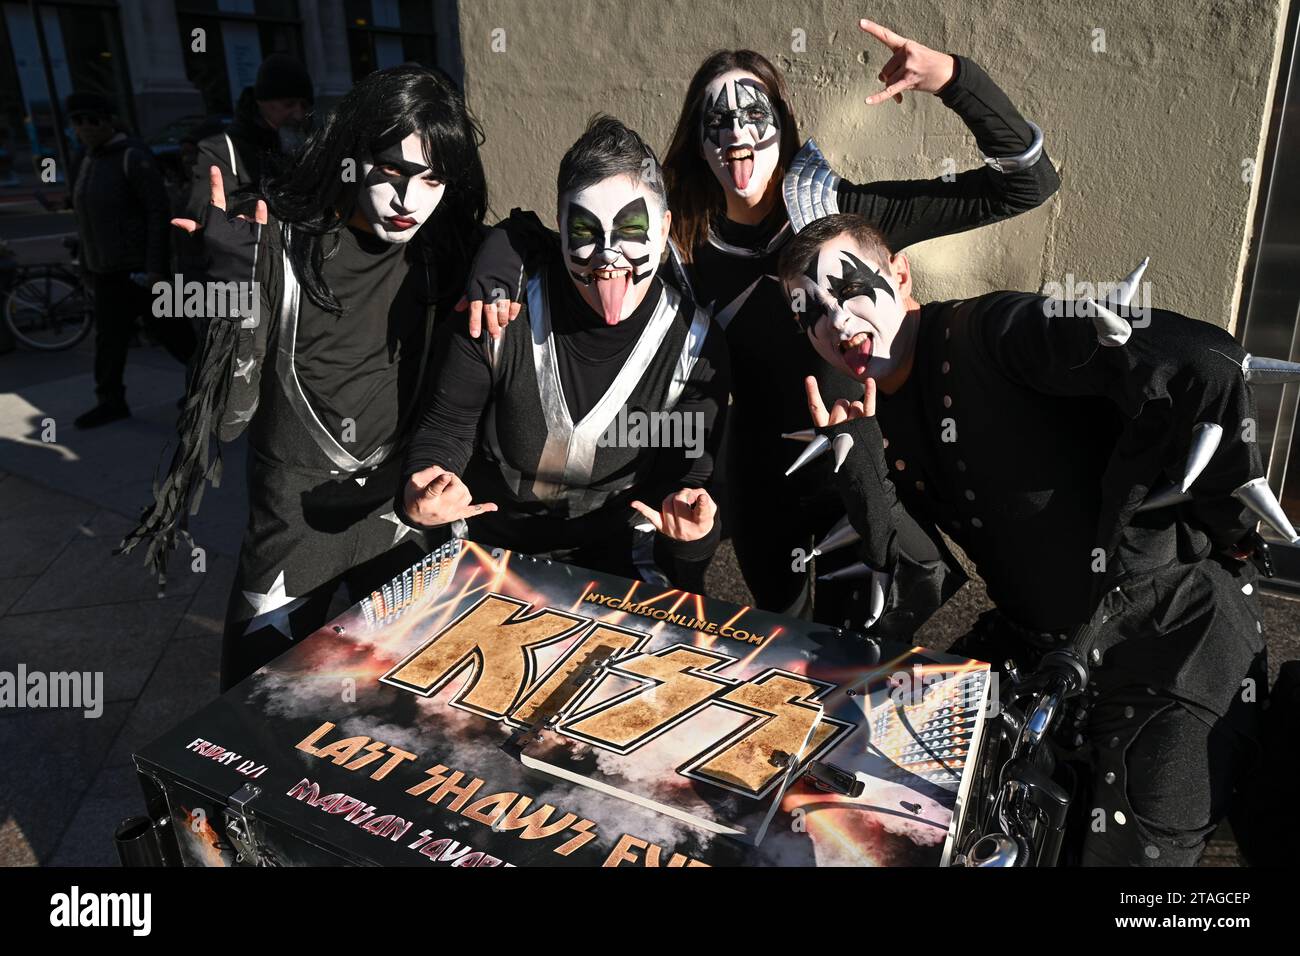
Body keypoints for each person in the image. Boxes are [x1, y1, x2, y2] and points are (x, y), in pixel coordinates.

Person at [454, 20, 1059, 626]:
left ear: (782, 123)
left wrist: (954, 80)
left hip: (857, 468)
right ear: (696, 140)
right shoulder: (676, 241)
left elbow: (1026, 185)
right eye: (715, 120)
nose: (736, 132)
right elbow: (565, 237)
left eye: (754, 112)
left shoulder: (841, 217)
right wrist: (498, 260)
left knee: (864, 652)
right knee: (783, 646)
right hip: (757, 483)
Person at [777, 211, 1295, 865]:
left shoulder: (993, 331)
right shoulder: (877, 406)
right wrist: (864, 477)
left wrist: (1231, 529)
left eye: (849, 290)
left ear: (900, 272)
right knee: (874, 794)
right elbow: (921, 582)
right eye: (811, 314)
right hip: (1040, 647)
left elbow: (1204, 365)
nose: (837, 323)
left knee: (1136, 863)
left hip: (1174, 635)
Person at [119, 66, 487, 690]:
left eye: (433, 178)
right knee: (255, 710)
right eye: (393, 170)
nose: (409, 200)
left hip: (404, 512)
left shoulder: (443, 252)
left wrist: (499, 266)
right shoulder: (277, 246)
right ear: (351, 153)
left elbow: (535, 240)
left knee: (423, 706)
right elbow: (227, 417)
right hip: (294, 528)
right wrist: (231, 288)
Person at [401, 116, 729, 591]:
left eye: (631, 228)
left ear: (663, 231)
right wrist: (423, 488)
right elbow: (445, 428)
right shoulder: (499, 312)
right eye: (585, 230)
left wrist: (694, 534)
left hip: (617, 557)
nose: (608, 255)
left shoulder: (693, 343)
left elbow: (687, 474)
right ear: (559, 229)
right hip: (488, 549)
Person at [65, 92, 197, 429]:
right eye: (78, 121)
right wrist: (86, 265)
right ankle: (110, 401)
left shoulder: (132, 157)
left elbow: (157, 211)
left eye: (92, 120)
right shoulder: (85, 159)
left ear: (109, 121)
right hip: (106, 268)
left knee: (173, 333)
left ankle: (212, 385)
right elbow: (85, 218)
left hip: (138, 270)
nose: (85, 128)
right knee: (108, 340)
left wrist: (155, 269)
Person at [183, 53, 313, 220]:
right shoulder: (221, 150)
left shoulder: (305, 142)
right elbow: (205, 212)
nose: (299, 115)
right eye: (289, 104)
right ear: (262, 101)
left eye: (305, 106)